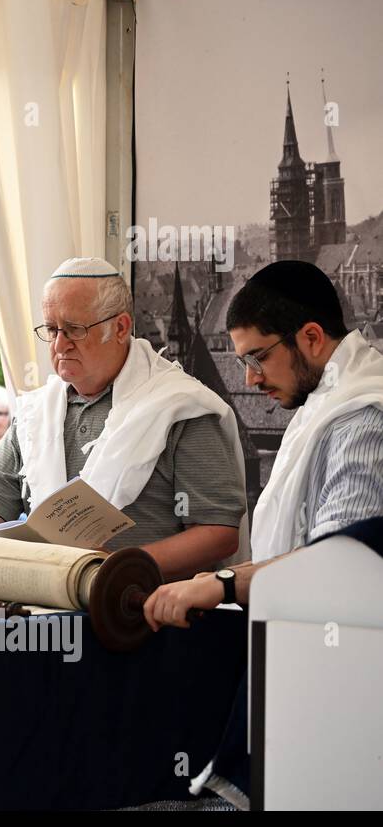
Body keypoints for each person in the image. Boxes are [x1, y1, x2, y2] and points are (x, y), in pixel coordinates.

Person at [0, 257, 248, 581]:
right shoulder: (36, 415)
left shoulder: (180, 409)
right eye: (51, 329)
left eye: (74, 330)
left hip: (150, 617)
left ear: (121, 327)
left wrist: (113, 569)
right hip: (51, 609)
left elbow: (218, 532)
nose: (59, 344)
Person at [143, 259, 383, 626]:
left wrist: (226, 583)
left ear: (312, 338)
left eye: (258, 358)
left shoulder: (362, 422)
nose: (250, 379)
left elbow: (337, 563)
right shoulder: (326, 401)